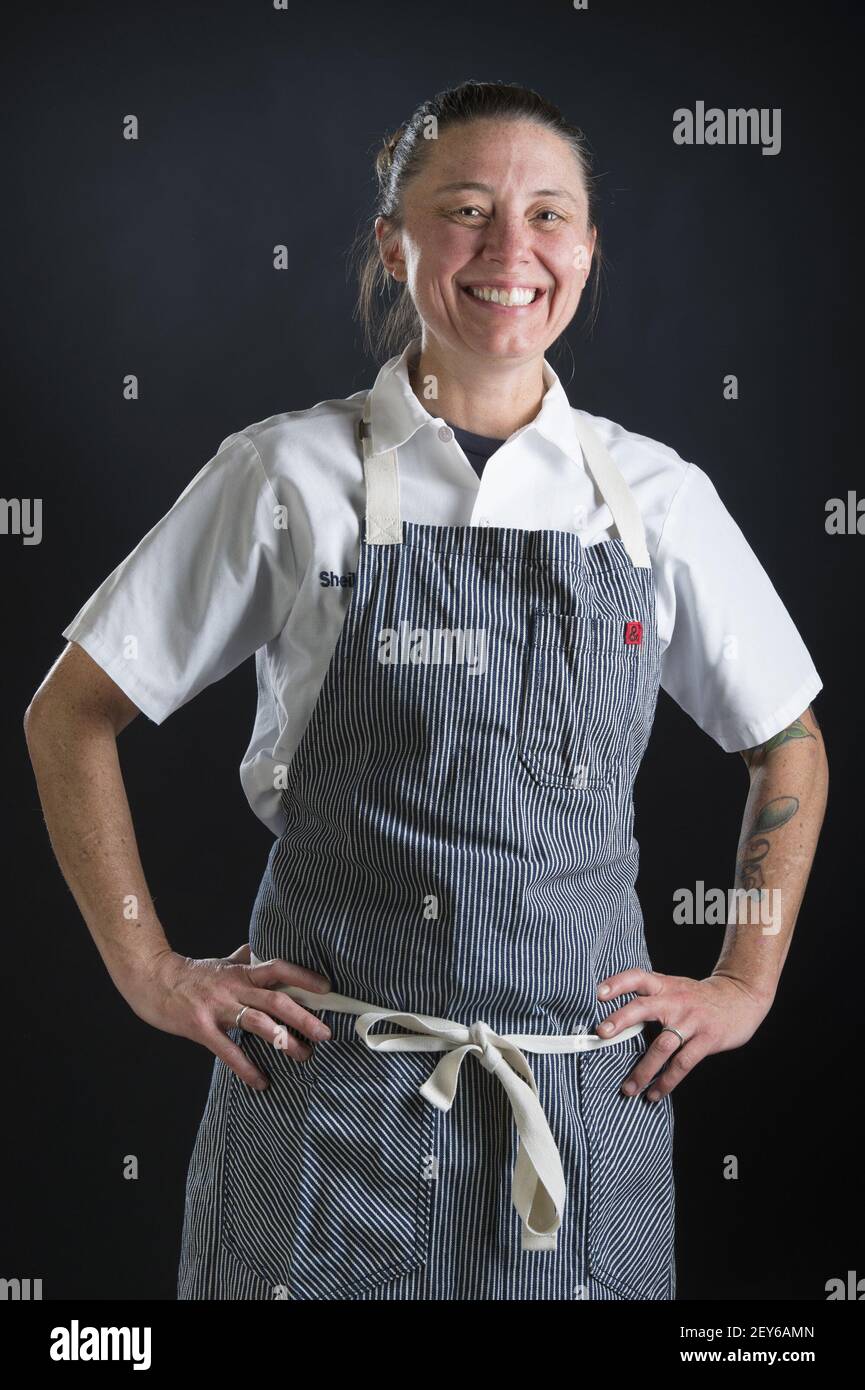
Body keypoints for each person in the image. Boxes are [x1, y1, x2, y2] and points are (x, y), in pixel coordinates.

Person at [23, 80, 828, 1302]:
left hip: (574, 1106)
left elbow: (790, 745)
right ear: (395, 245)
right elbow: (70, 711)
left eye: (549, 215)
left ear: (589, 250)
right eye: (466, 209)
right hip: (325, 1108)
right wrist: (153, 970)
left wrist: (746, 981)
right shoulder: (286, 471)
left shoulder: (657, 501)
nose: (511, 250)